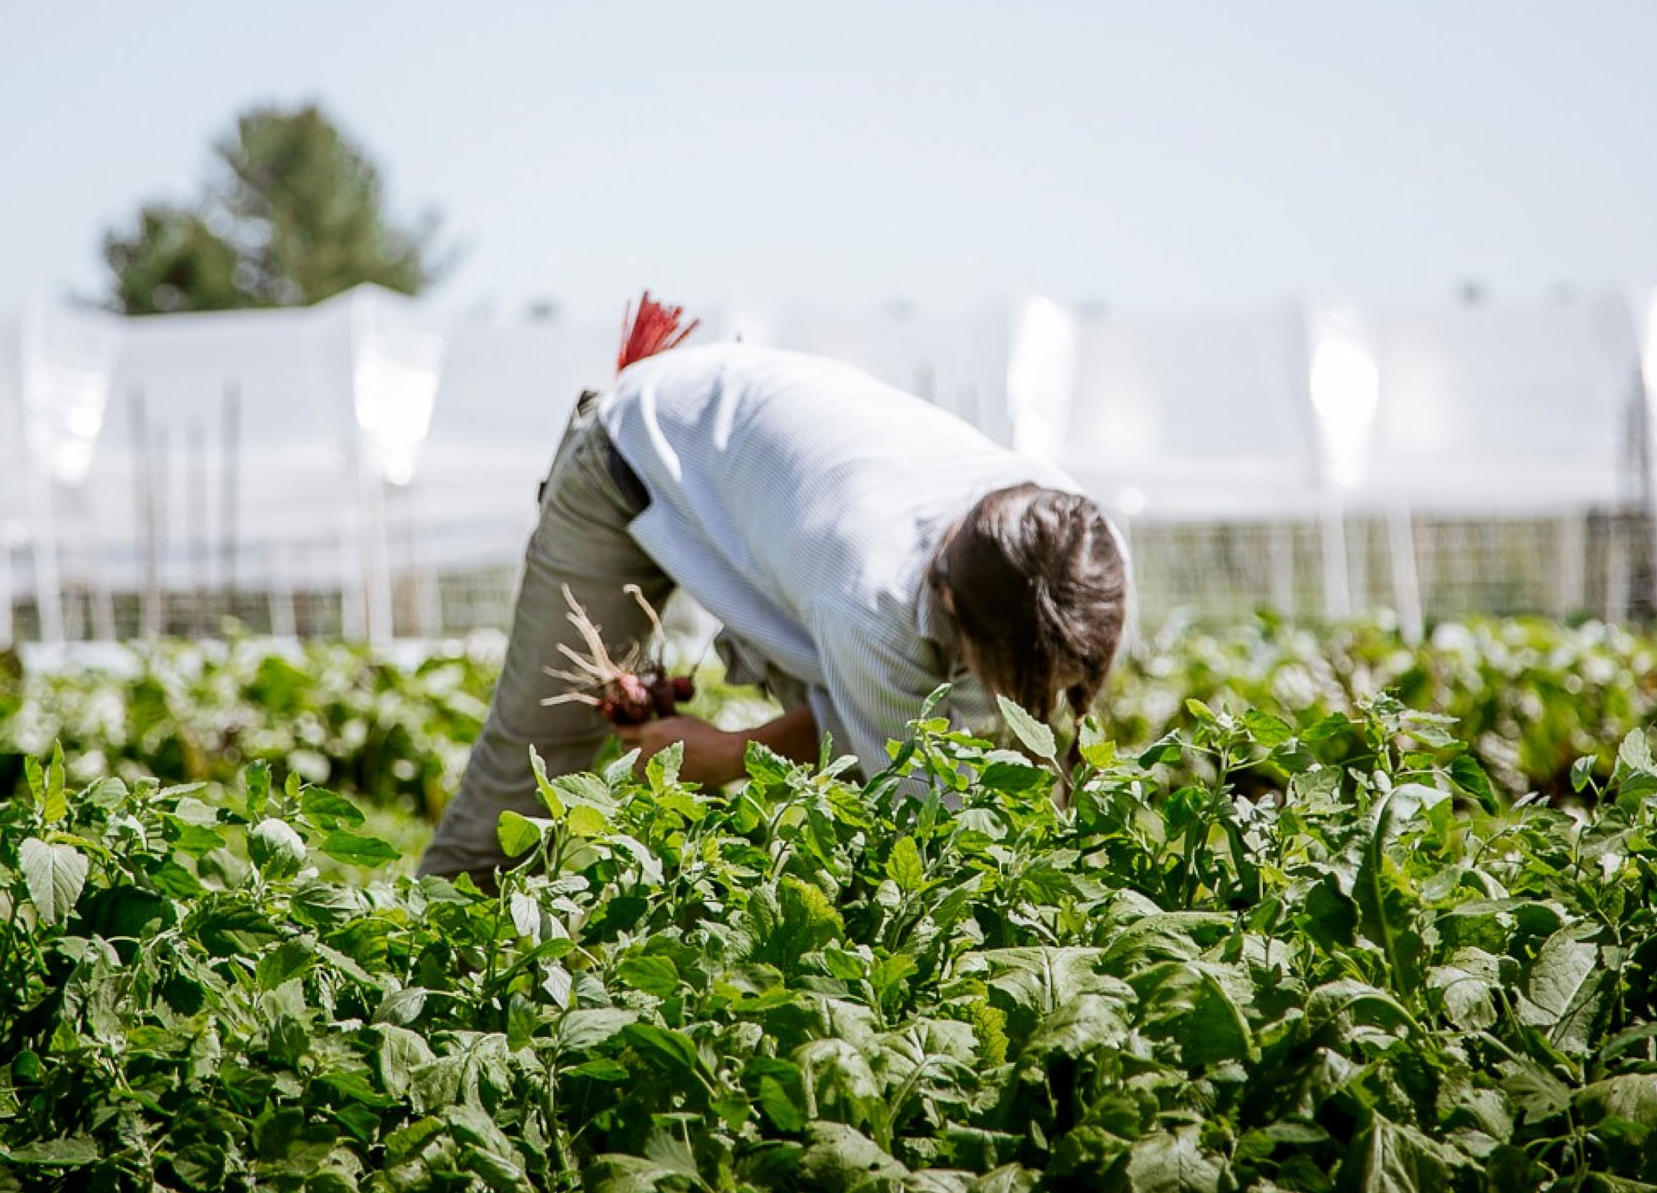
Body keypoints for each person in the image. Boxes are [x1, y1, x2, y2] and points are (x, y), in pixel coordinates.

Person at [418, 297, 1129, 885]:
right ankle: (438, 945)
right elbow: (918, 808)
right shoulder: (871, 595)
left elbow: (983, 744)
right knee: (538, 750)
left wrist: (732, 753)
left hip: (760, 458)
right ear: (949, 607)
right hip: (634, 456)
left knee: (1006, 755)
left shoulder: (1079, 546)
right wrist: (730, 752)